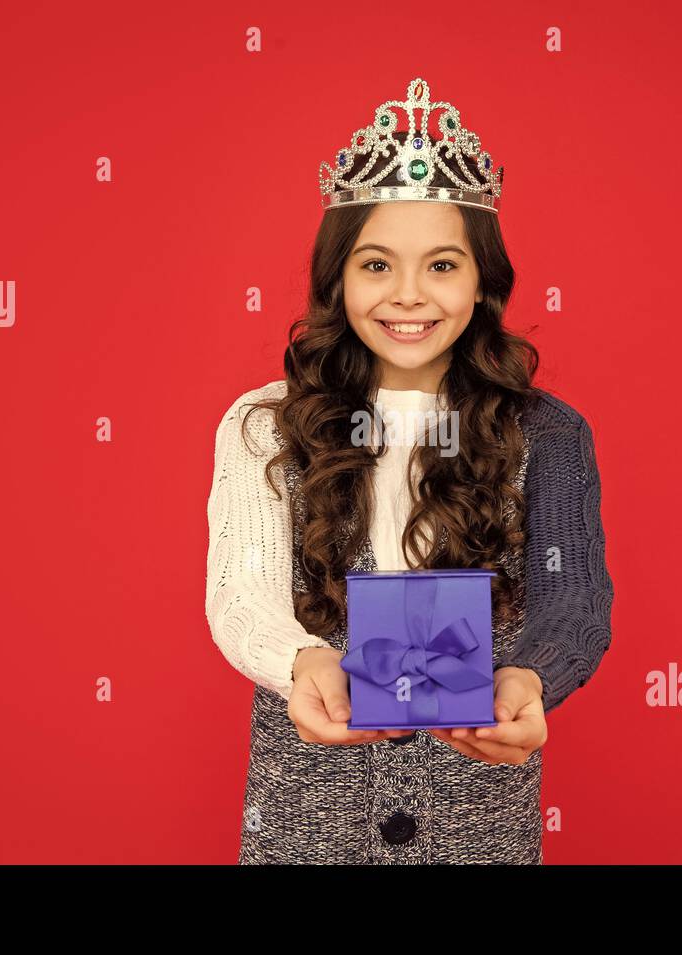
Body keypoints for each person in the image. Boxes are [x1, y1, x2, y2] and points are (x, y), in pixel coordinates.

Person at [205, 77, 613, 863]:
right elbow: (240, 593)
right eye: (377, 265)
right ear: (338, 277)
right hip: (308, 822)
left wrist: (530, 679)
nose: (408, 296)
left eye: (442, 265)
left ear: (482, 281)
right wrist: (302, 661)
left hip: (476, 825)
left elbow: (577, 601)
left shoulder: (549, 432)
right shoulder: (263, 424)